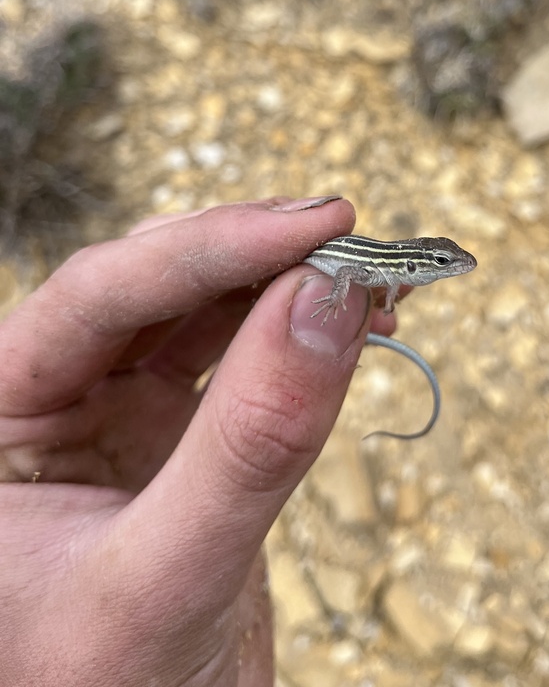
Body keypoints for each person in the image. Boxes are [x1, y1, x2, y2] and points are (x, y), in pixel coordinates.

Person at [0, 196, 398, 686]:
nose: (453, 269)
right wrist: (336, 303)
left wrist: (379, 296)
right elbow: (344, 275)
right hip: (319, 266)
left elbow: (373, 280)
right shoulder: (375, 264)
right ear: (420, 263)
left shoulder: (390, 269)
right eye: (443, 264)